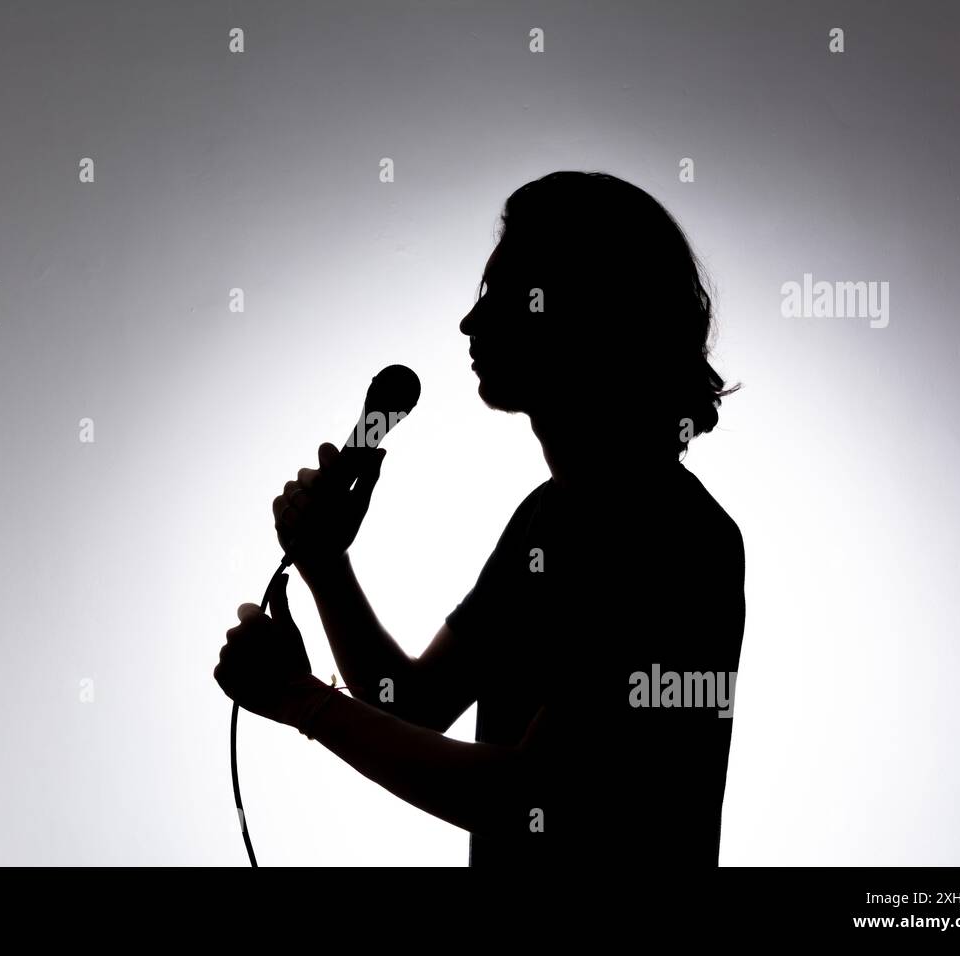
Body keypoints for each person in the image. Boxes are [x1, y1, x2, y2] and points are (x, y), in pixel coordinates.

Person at [215, 171, 745, 866]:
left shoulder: (674, 533)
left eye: (500, 295)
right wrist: (324, 563)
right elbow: (410, 702)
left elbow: (539, 797)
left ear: (587, 308)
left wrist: (300, 699)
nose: (470, 322)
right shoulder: (546, 520)